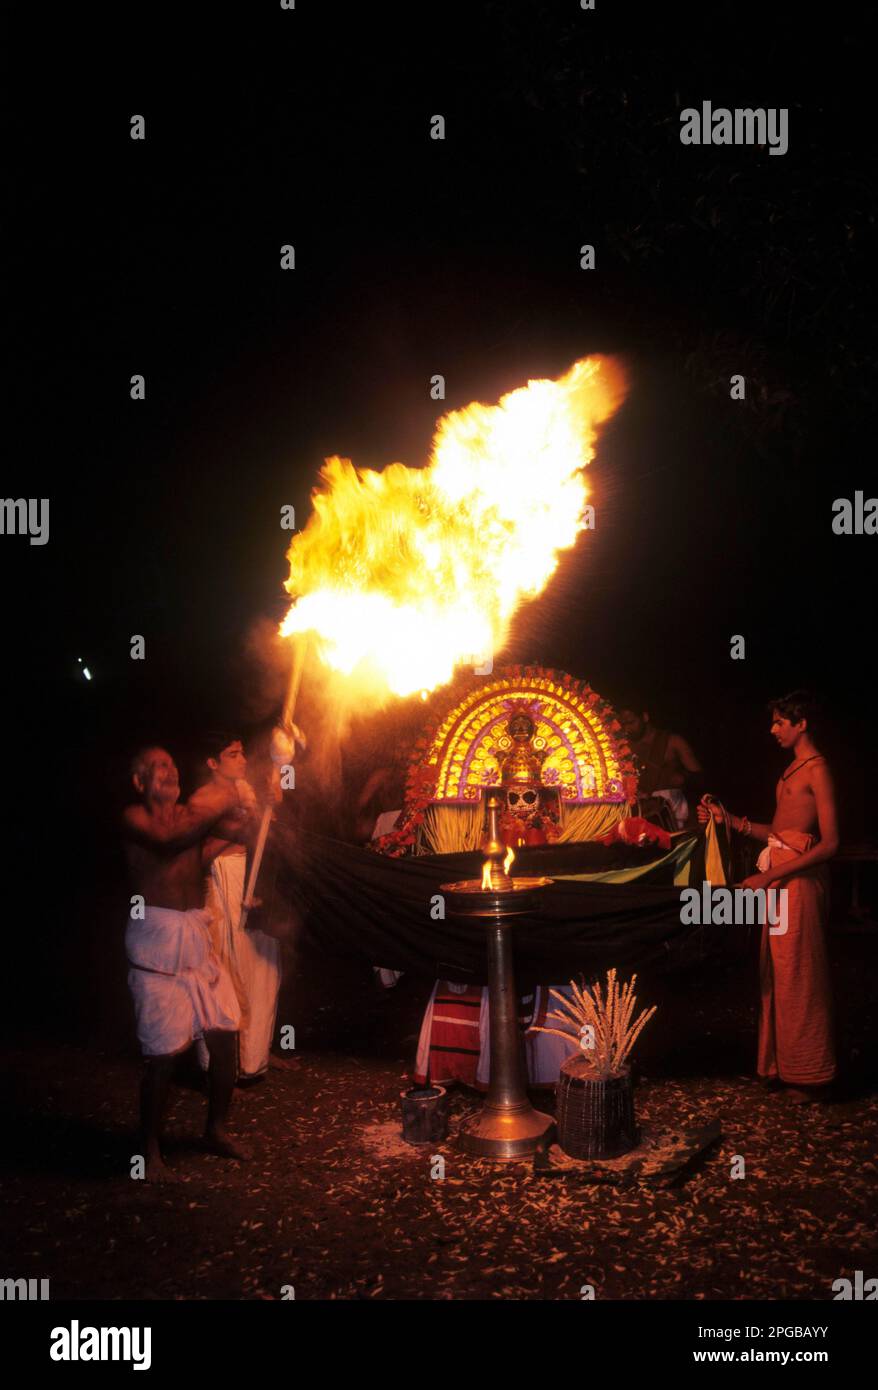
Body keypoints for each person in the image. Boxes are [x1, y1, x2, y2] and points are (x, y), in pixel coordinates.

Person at [698, 691, 839, 1103]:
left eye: (780, 722)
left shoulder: (818, 770)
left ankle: (811, 1075)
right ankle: (782, 1066)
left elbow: (830, 844)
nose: (772, 729)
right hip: (779, 883)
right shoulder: (790, 771)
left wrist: (768, 877)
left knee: (800, 974)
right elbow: (777, 835)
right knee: (775, 972)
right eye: (774, 721)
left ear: (802, 724)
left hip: (798, 884)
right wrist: (731, 822)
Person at [122, 746, 253, 1181]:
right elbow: (170, 840)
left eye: (173, 764)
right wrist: (224, 795)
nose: (171, 769)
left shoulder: (191, 821)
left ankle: (215, 1130)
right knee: (162, 1057)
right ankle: (149, 1154)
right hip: (156, 943)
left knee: (224, 1035)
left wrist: (258, 802)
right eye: (159, 765)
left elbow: (235, 834)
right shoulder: (136, 819)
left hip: (195, 941)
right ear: (139, 782)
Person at [197, 732, 283, 1082]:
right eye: (232, 754)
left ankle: (253, 1058)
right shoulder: (204, 799)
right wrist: (242, 827)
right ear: (213, 763)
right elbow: (196, 853)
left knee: (261, 967)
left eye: (243, 752)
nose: (242, 759)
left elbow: (271, 838)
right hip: (223, 884)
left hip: (252, 880)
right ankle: (219, 1063)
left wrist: (272, 805)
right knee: (223, 968)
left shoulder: (247, 790)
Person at [618, 704, 704, 829]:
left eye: (631, 722)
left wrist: (683, 778)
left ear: (645, 717)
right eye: (623, 724)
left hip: (674, 817)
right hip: (641, 816)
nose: (627, 728)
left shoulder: (673, 742)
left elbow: (700, 778)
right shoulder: (624, 748)